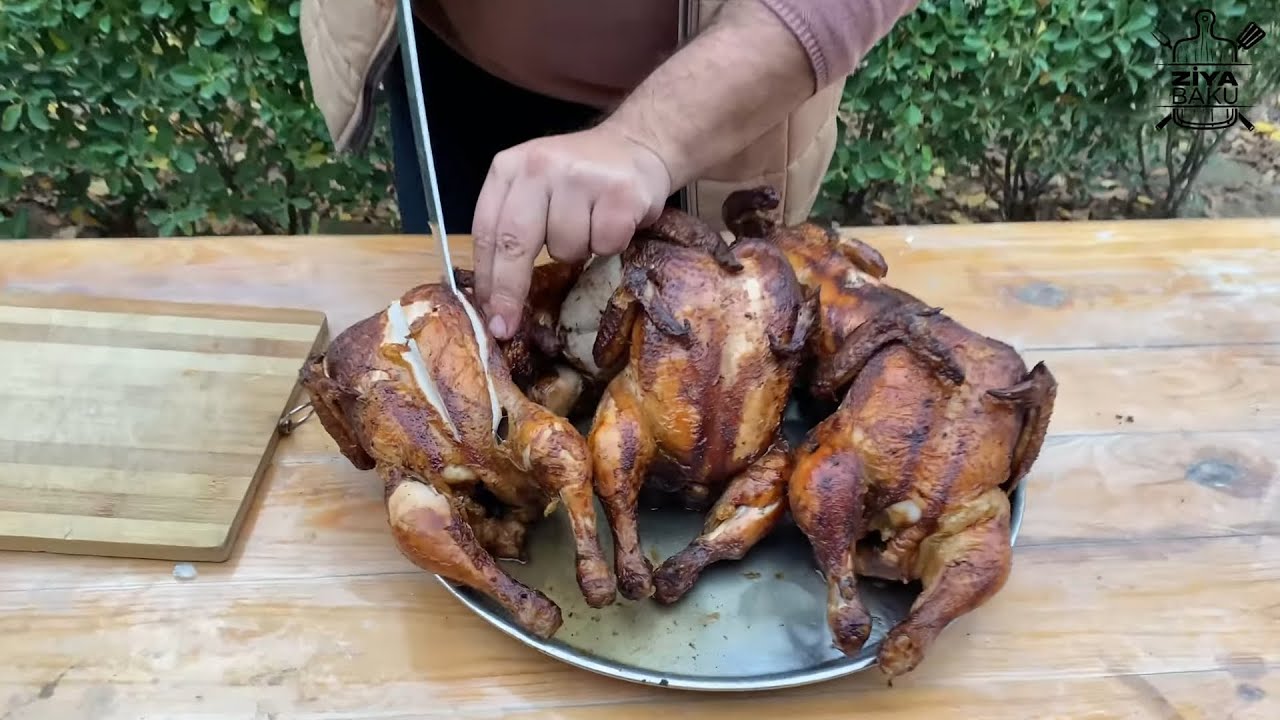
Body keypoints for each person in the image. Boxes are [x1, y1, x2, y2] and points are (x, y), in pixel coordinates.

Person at [300, 0, 920, 340]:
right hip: (451, 68)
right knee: (469, 323)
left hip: (720, 112)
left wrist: (648, 139)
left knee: (712, 350)